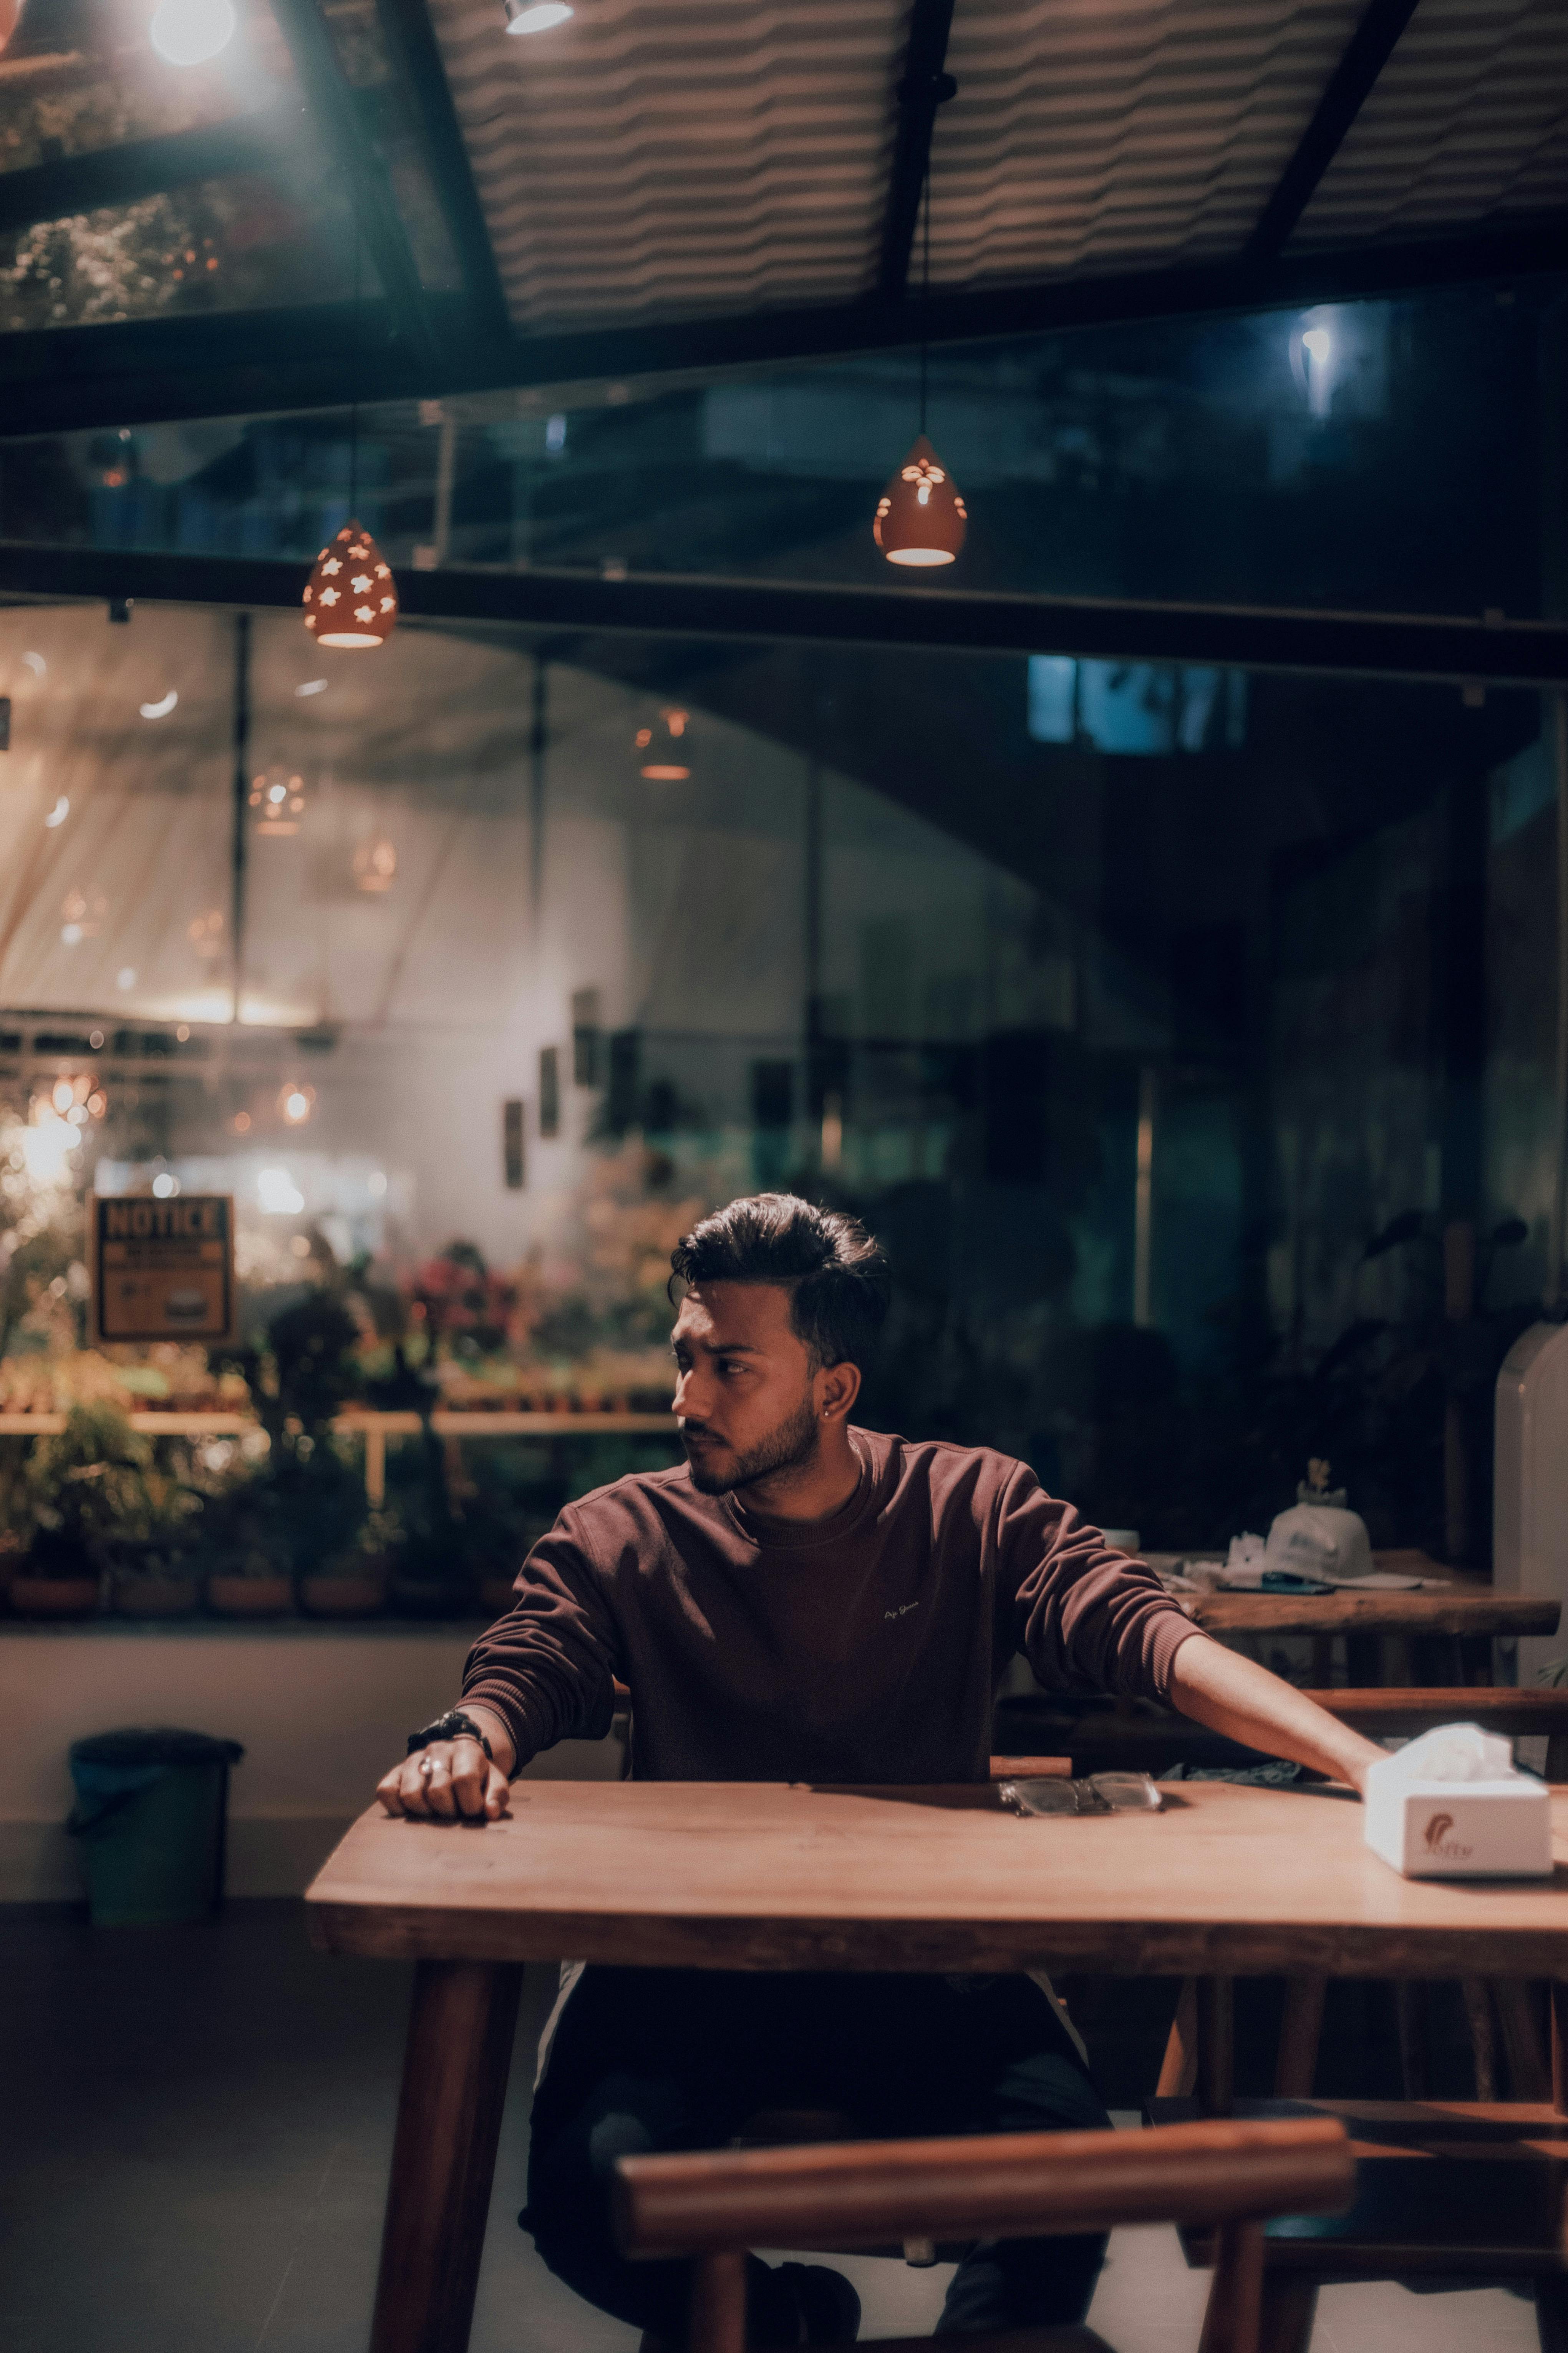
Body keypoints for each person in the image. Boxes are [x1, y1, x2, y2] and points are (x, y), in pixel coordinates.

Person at [377, 1193, 1383, 2347]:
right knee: (585, 2196)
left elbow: (1140, 1632)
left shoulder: (969, 1504)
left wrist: (1364, 1763)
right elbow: (533, 1658)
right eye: (684, 1358)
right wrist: (469, 1735)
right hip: (682, 1960)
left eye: (731, 1368)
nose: (686, 1398)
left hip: (928, 1957)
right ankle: (793, 2321)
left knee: (1064, 2185)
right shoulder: (619, 1530)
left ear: (832, 1386)